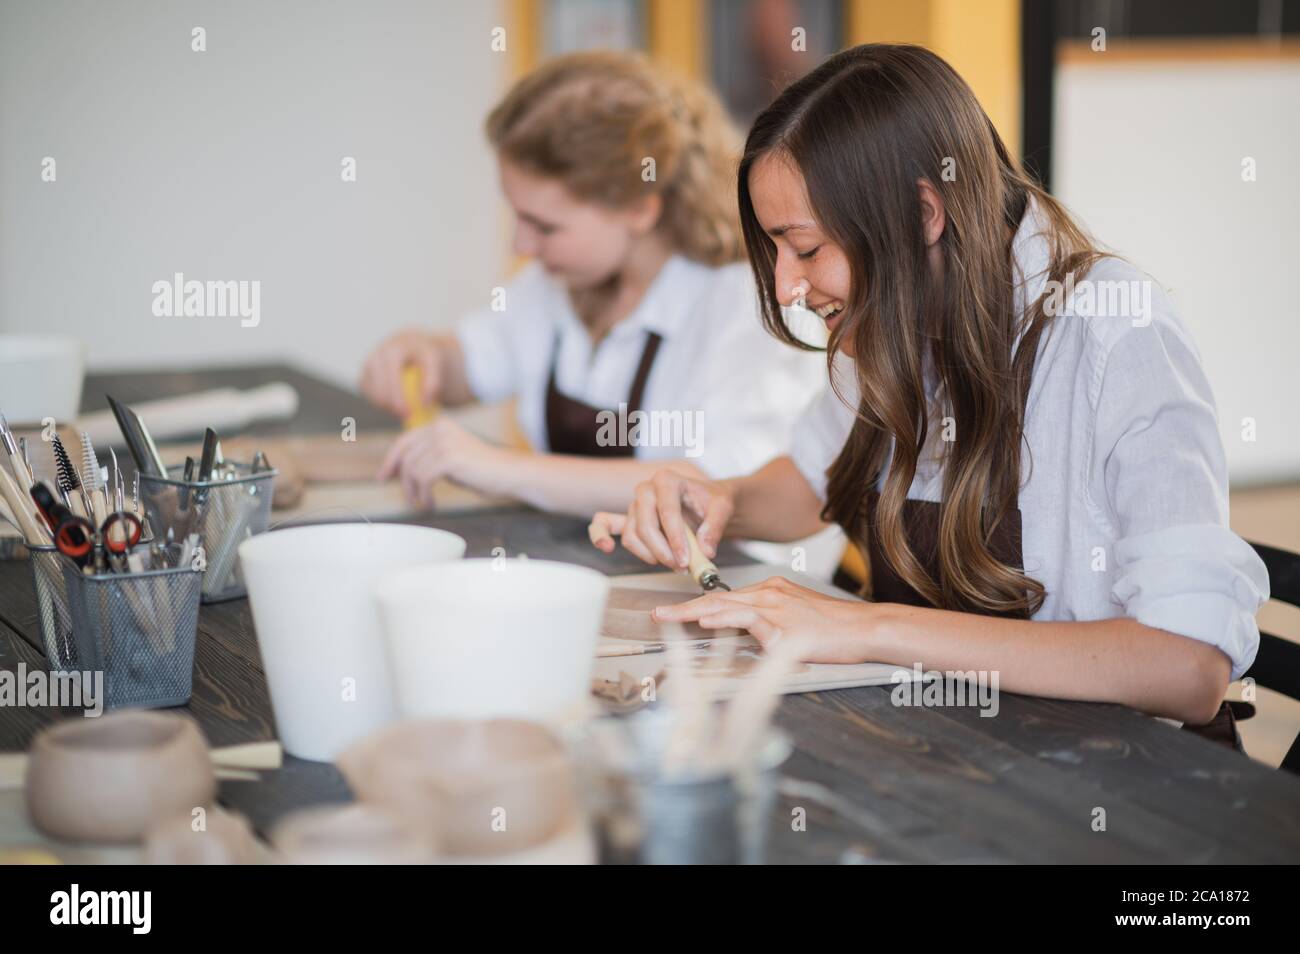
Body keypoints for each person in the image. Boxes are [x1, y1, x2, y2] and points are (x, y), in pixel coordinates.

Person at [588, 44, 1269, 730]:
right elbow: (806, 482)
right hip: (952, 745)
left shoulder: (1115, 332)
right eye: (775, 252)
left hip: (1118, 790)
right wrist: (716, 501)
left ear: (922, 216)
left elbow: (1187, 665)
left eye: (806, 248)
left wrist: (868, 628)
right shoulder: (897, 311)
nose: (787, 289)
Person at [360, 51, 840, 575]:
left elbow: (703, 489)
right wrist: (422, 353)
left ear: (639, 207)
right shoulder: (557, 281)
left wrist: (499, 467)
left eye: (544, 225)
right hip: (597, 564)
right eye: (517, 216)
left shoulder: (750, 306)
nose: (522, 243)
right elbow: (468, 365)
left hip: (736, 582)